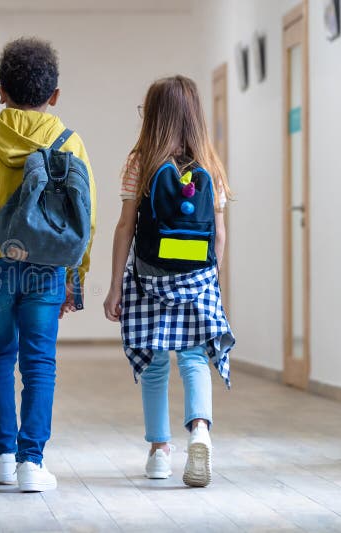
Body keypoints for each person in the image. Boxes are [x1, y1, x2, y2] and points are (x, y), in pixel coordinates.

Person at [0, 37, 97, 492]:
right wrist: (78, 277)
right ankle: (33, 463)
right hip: (49, 267)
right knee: (39, 361)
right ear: (54, 96)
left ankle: (2, 456)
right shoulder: (70, 140)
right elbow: (85, 217)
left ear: (0, 91)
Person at [103, 75, 235, 487]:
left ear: (154, 116)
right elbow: (220, 232)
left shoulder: (140, 162)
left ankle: (160, 451)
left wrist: (113, 287)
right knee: (195, 358)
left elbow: (125, 227)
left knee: (156, 363)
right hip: (197, 278)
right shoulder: (210, 164)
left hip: (149, 278)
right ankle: (199, 431)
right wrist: (211, 280)